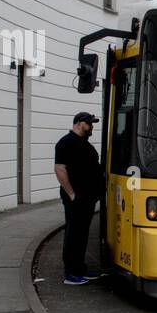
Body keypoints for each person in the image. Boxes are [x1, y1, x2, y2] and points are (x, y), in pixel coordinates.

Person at [54, 112, 104, 285]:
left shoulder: (85, 144)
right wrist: (72, 194)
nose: (92, 127)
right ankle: (71, 273)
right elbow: (60, 169)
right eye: (89, 123)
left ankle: (80, 269)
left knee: (82, 234)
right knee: (73, 235)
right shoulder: (66, 143)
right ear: (79, 124)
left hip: (88, 198)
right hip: (77, 199)